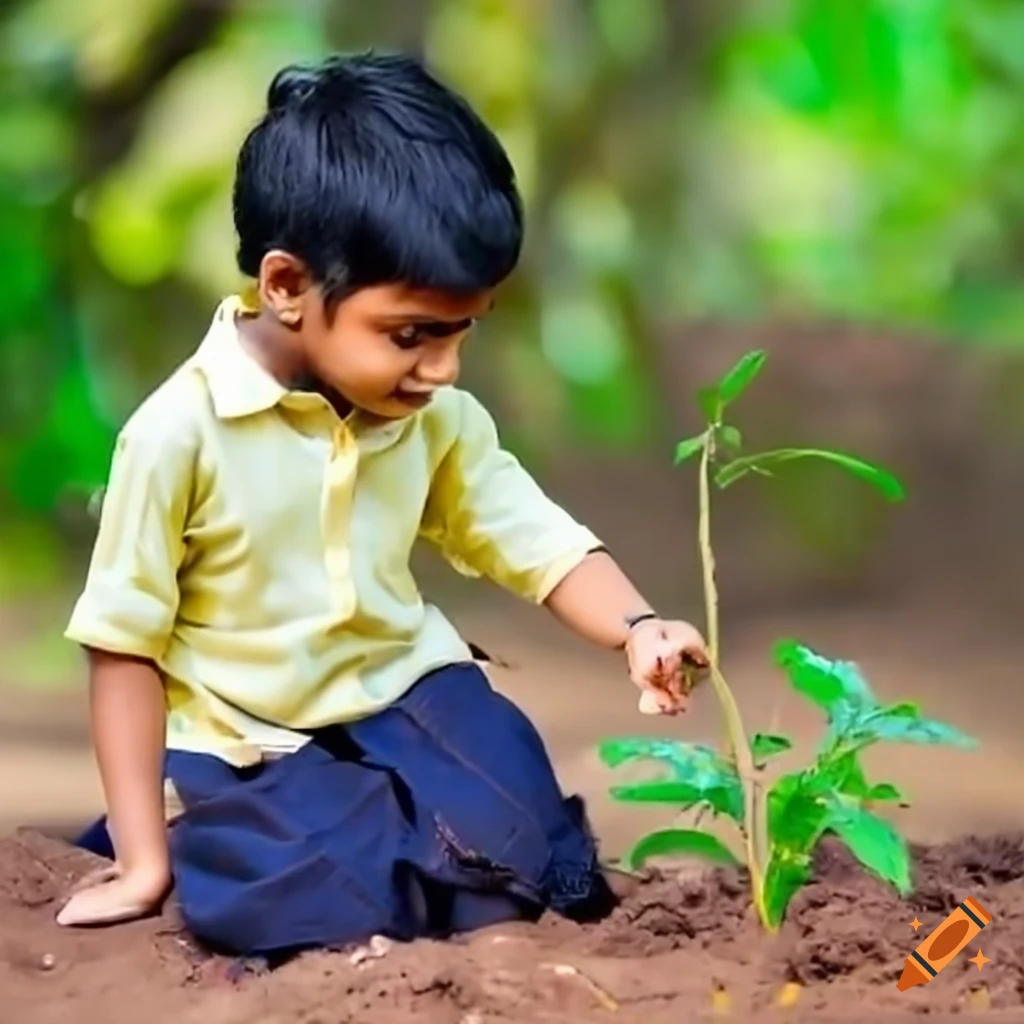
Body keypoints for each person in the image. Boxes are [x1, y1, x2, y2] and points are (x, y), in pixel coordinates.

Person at [56, 51, 709, 956]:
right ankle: (188, 828)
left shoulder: (436, 420)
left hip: (409, 699)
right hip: (249, 736)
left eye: (462, 333)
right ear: (287, 286)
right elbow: (123, 645)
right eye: (411, 335)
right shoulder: (175, 436)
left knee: (527, 837)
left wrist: (637, 627)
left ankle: (386, 843)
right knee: (307, 882)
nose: (442, 369)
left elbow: (533, 537)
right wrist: (139, 865)